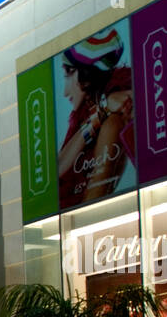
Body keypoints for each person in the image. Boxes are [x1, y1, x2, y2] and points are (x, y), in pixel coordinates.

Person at [56, 28, 134, 210]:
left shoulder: (112, 122)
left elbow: (94, 200)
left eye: (68, 73)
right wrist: (103, 109)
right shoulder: (90, 118)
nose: (65, 91)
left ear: (86, 75)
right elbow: (58, 167)